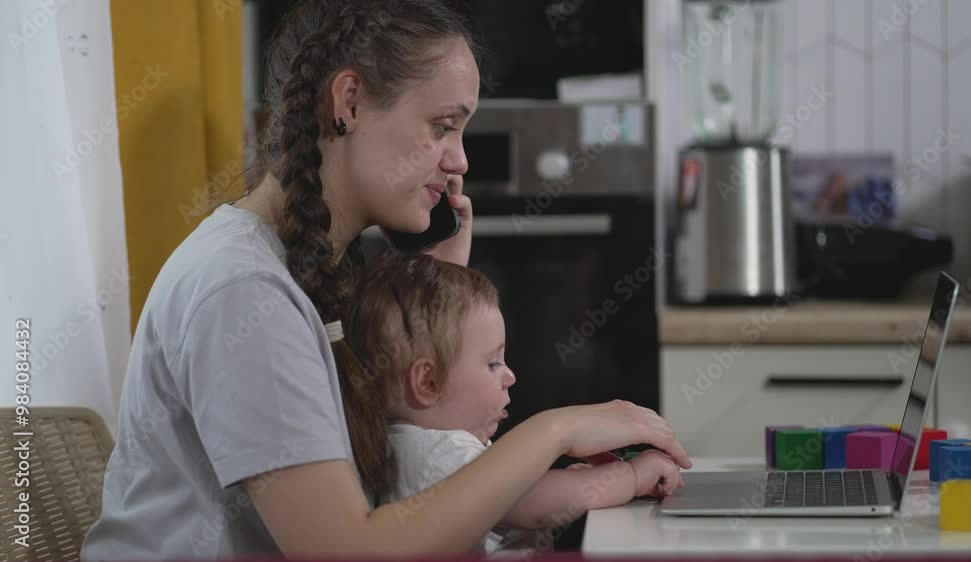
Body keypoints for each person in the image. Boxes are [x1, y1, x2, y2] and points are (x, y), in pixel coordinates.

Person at [80, 0, 690, 559]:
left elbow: (401, 458)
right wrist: (557, 429)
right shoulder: (243, 291)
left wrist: (440, 287)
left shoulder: (306, 267)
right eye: (443, 125)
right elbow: (345, 550)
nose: (460, 159)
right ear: (348, 104)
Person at [343, 252, 685, 554]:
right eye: (492, 364)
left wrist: (574, 483)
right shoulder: (437, 452)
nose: (510, 376)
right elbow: (530, 502)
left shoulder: (405, 446)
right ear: (428, 382)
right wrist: (631, 477)